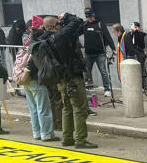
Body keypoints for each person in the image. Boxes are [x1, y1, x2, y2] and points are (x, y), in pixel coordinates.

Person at [44, 13, 97, 149]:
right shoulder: (60, 37)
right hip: (72, 77)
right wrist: (67, 16)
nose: (61, 25)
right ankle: (80, 139)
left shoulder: (46, 39)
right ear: (54, 26)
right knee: (79, 108)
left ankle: (67, 137)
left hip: (61, 78)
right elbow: (77, 21)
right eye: (59, 24)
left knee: (67, 108)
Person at [22, 26, 57, 142]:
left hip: (26, 80)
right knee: (43, 108)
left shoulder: (27, 45)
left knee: (33, 109)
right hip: (36, 80)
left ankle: (36, 133)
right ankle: (46, 134)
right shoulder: (38, 47)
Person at [80, 8, 114, 90]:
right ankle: (90, 87)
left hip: (100, 53)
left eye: (91, 17)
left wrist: (113, 48)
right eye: (88, 17)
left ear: (93, 15)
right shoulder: (84, 25)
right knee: (87, 71)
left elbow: (107, 36)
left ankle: (107, 89)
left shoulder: (100, 24)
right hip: (88, 53)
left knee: (103, 71)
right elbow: (77, 33)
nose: (89, 19)